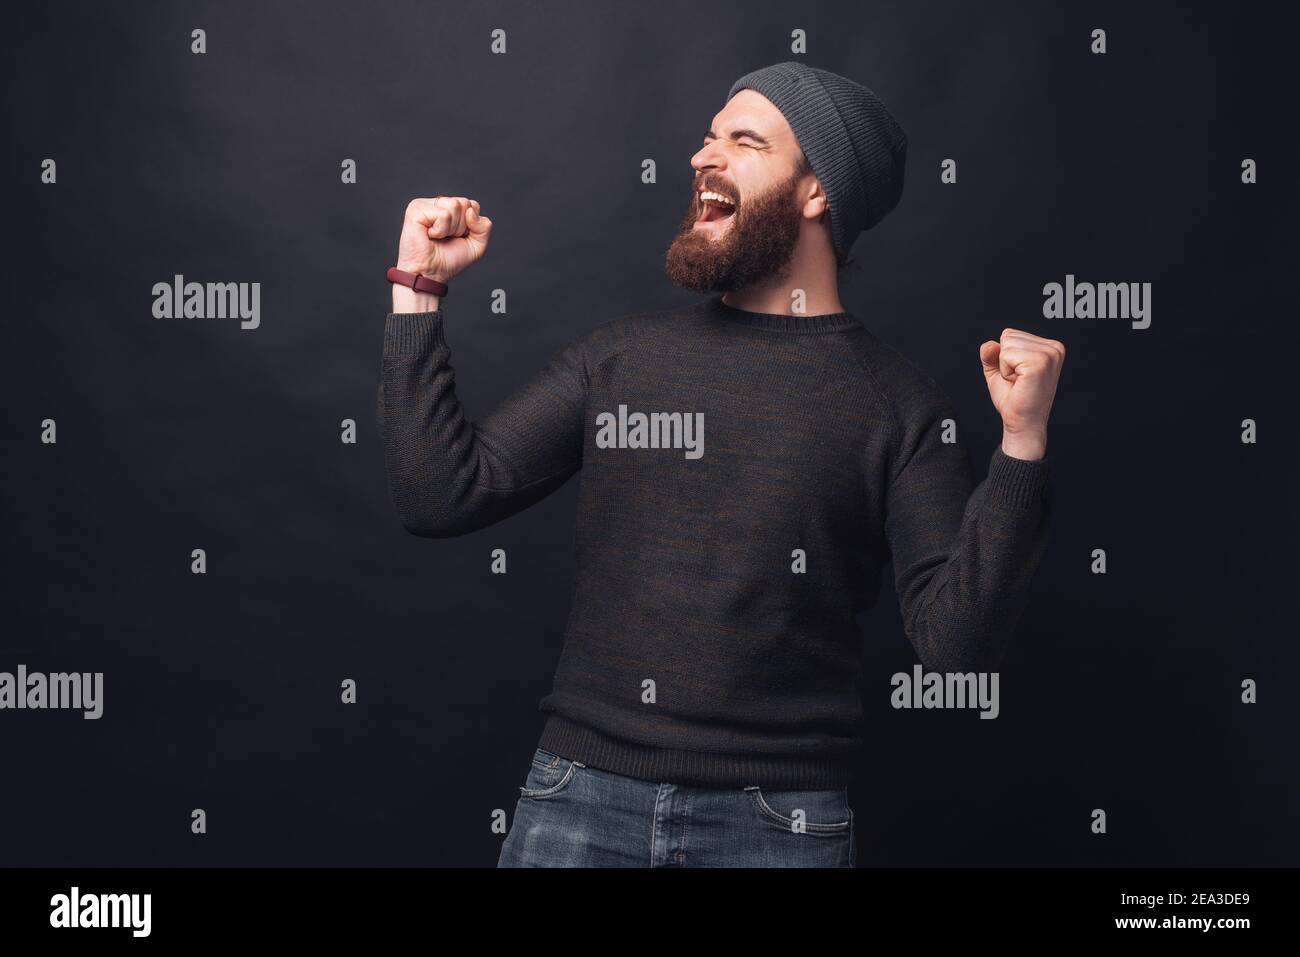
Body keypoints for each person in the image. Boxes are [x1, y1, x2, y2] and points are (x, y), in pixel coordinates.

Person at [376, 62, 1065, 867]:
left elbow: (957, 647)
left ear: (817, 192)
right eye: (707, 136)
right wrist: (417, 289)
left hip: (778, 825)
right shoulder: (623, 358)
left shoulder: (899, 406)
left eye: (743, 140)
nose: (704, 157)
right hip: (579, 796)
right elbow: (438, 496)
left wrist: (1022, 444)